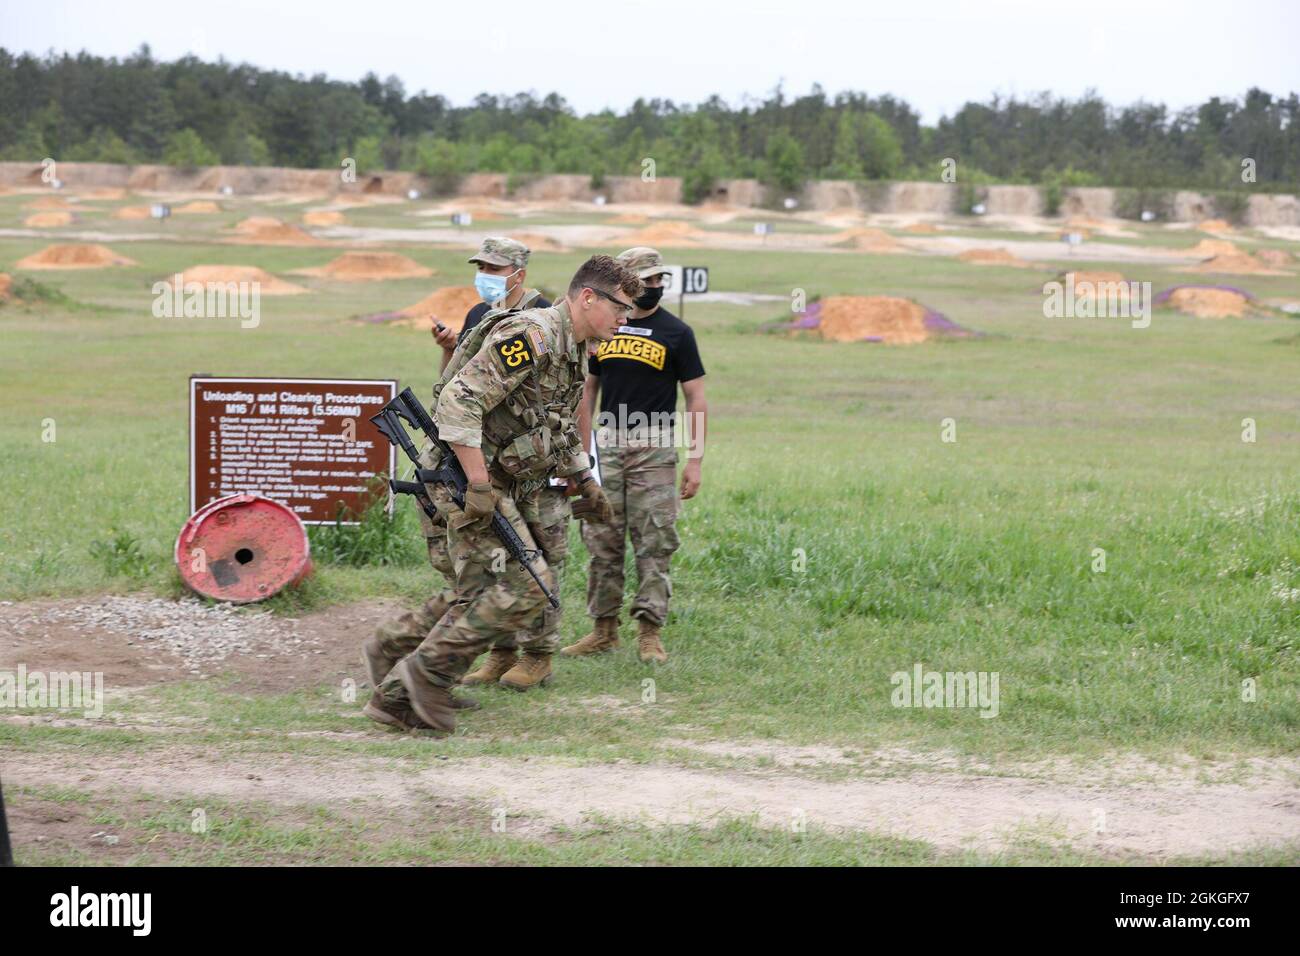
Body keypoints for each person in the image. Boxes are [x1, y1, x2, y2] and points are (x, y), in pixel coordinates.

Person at [365, 255, 641, 734]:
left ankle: (396, 678)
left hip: (493, 479)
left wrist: (585, 481)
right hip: (461, 476)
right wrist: (476, 485)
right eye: (621, 308)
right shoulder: (529, 337)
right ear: (588, 298)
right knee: (529, 587)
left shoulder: (576, 347)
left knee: (476, 590)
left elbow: (556, 426)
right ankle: (421, 676)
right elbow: (459, 402)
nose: (625, 319)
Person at [360, 238, 553, 699]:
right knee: (481, 570)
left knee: (528, 562)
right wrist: (448, 347)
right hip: (468, 459)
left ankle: (533, 654)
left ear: (519, 273)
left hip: (511, 460)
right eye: (481, 265)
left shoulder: (539, 318)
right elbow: (454, 389)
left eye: (494, 266)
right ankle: (473, 659)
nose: (485, 273)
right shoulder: (476, 315)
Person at [562, 247, 708, 664]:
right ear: (627, 284)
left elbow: (695, 397)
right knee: (600, 537)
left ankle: (649, 632)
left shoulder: (678, 333)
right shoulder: (607, 327)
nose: (655, 287)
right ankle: (603, 630)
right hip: (605, 445)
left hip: (655, 448)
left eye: (661, 279)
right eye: (647, 280)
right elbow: (586, 391)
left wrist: (694, 459)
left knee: (655, 539)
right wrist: (582, 453)